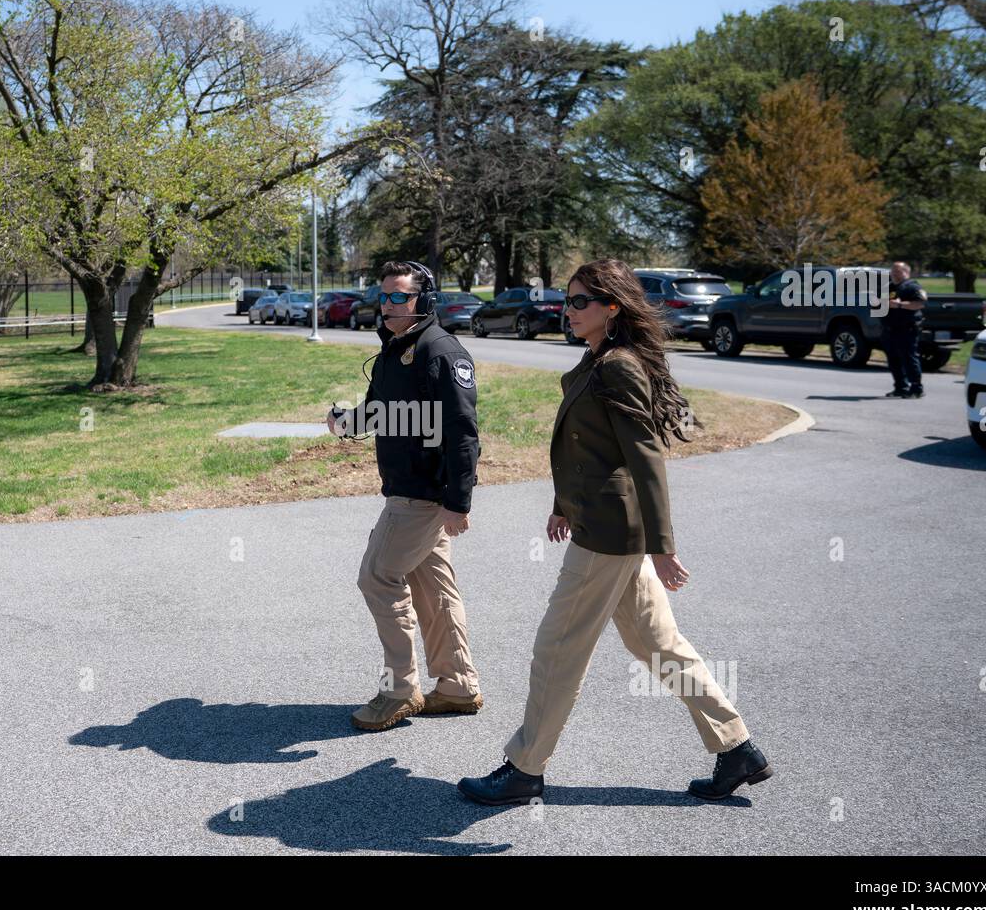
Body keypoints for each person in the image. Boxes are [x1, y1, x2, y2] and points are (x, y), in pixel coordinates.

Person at [457, 258, 772, 805]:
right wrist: (561, 504)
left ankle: (525, 768)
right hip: (602, 523)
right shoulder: (599, 358)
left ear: (612, 307)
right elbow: (586, 449)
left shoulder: (619, 365)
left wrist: (663, 546)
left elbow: (644, 458)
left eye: (581, 302)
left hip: (609, 534)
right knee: (659, 644)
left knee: (557, 648)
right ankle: (735, 746)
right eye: (567, 300)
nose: (568, 310)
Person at [327, 260, 483, 731]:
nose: (388, 304)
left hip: (421, 496)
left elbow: (462, 433)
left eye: (400, 296)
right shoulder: (397, 349)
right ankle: (457, 685)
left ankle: (399, 689)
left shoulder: (441, 352)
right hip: (409, 490)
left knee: (377, 577)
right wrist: (346, 423)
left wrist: (459, 501)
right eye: (384, 296)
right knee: (432, 587)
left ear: (425, 301)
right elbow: (379, 409)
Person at [881, 261, 928, 399]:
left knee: (909, 358)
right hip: (890, 329)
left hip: (906, 329)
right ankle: (901, 387)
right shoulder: (889, 287)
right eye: (893, 271)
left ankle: (916, 388)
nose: (894, 273)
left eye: (898, 271)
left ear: (907, 272)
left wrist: (900, 305)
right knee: (893, 359)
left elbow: (920, 303)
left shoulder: (912, 287)